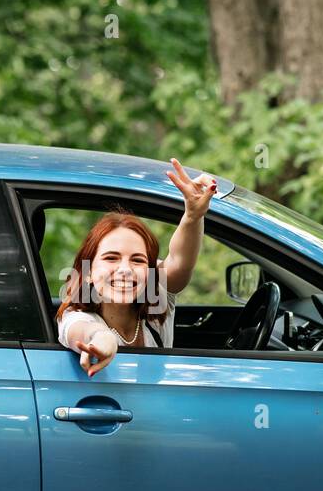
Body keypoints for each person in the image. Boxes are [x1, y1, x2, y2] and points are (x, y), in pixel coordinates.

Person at [56, 158, 217, 376]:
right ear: (88, 273)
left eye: (138, 260)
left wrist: (193, 216)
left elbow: (180, 260)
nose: (125, 269)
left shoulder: (156, 302)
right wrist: (102, 339)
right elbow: (83, 332)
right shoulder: (76, 317)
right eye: (111, 258)